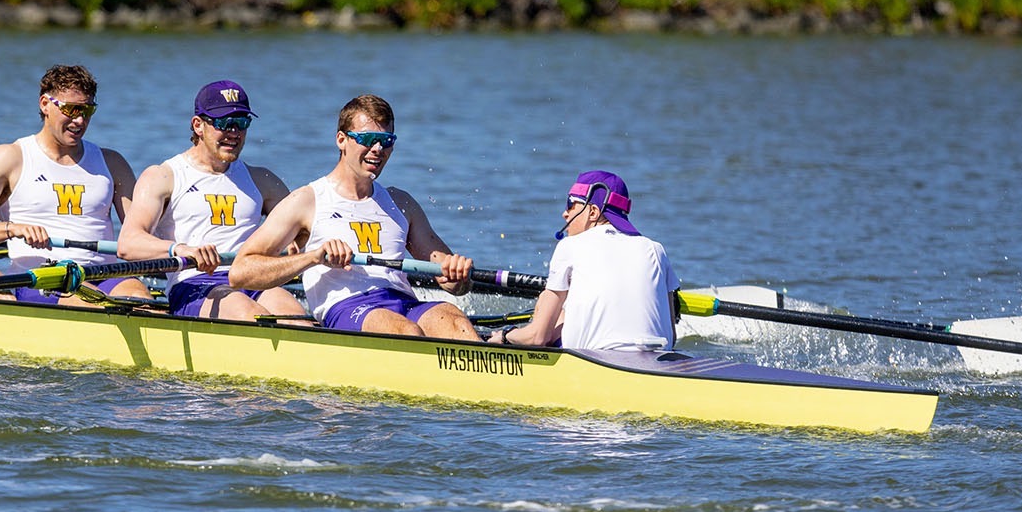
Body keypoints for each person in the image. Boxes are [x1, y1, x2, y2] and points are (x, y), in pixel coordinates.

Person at [227, 94, 479, 339]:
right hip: (348, 307)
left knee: (454, 320)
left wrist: (457, 277)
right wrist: (312, 258)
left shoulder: (401, 203)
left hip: (402, 301)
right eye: (368, 139)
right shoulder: (306, 201)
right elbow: (240, 272)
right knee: (403, 330)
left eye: (387, 140)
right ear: (341, 139)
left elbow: (453, 283)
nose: (378, 149)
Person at [0, 64, 148, 304]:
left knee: (141, 298)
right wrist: (10, 229)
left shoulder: (112, 162)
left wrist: (187, 248)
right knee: (92, 302)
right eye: (71, 109)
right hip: (42, 278)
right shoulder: (10, 158)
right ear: (45, 104)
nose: (80, 120)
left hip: (103, 274)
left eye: (87, 111)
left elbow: (140, 235)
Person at [117, 80, 308, 322]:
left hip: (251, 278)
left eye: (242, 123)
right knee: (248, 313)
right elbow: (127, 243)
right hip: (195, 283)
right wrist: (180, 249)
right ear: (198, 125)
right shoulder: (163, 176)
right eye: (224, 123)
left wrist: (299, 239)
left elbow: (308, 223)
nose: (234, 133)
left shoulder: (262, 180)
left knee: (297, 317)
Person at [493, 171, 680, 351]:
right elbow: (671, 336)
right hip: (657, 360)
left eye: (570, 204)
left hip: (594, 363)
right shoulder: (656, 249)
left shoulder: (570, 246)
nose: (564, 214)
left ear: (592, 212)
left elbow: (537, 338)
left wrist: (504, 336)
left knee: (547, 304)